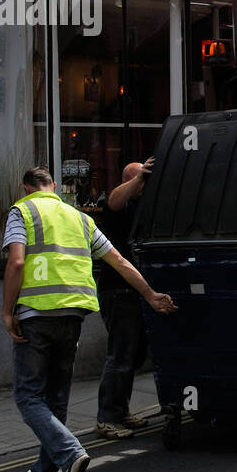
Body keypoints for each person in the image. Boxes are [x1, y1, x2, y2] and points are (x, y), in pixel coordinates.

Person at [2, 166, 177, 472]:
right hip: (74, 314)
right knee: (55, 397)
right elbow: (120, 261)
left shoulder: (21, 211)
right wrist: (151, 295)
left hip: (36, 315)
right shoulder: (79, 217)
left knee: (28, 396)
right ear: (53, 186)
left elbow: (17, 263)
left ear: (26, 189)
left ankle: (70, 454)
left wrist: (7, 311)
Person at [95, 157, 156, 439]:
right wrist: (138, 178)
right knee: (121, 354)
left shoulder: (143, 205)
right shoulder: (117, 203)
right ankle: (107, 418)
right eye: (138, 180)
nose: (142, 186)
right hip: (117, 290)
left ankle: (121, 411)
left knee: (134, 354)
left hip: (137, 290)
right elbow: (115, 201)